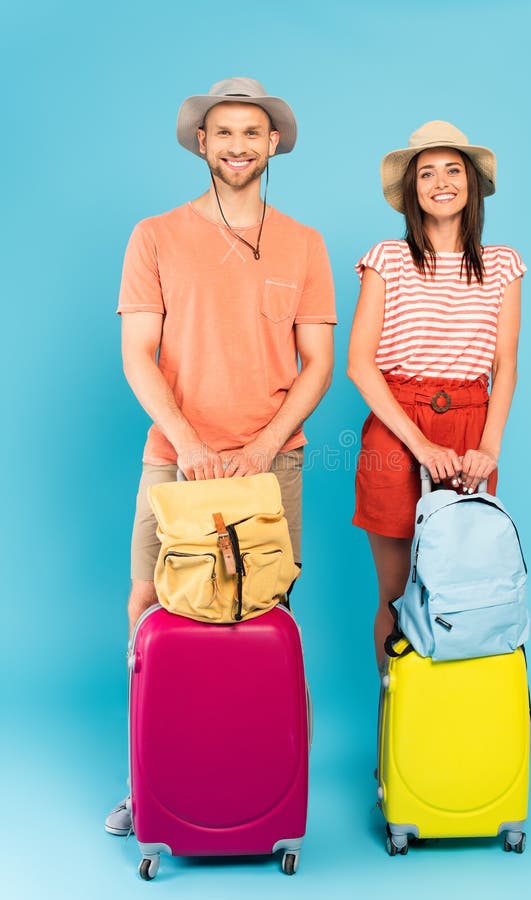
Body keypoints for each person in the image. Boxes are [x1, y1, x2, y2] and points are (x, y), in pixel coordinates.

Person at [105, 77, 336, 835]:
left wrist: (262, 447)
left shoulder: (304, 244)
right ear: (201, 144)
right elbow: (139, 354)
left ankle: (279, 779)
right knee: (148, 606)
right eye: (223, 132)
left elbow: (317, 364)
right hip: (175, 461)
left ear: (273, 145)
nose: (237, 145)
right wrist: (193, 444)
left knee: (270, 614)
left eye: (252, 132)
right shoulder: (154, 236)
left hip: (271, 466)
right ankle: (146, 781)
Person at [347, 120, 525, 670]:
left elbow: (505, 365)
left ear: (470, 183)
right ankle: (395, 727)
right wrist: (422, 447)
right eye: (427, 173)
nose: (440, 182)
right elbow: (359, 365)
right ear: (411, 191)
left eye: (452, 170)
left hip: (471, 425)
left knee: (464, 592)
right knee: (398, 595)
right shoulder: (387, 258)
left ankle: (452, 735)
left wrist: (488, 448)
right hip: (398, 426)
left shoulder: (503, 265)